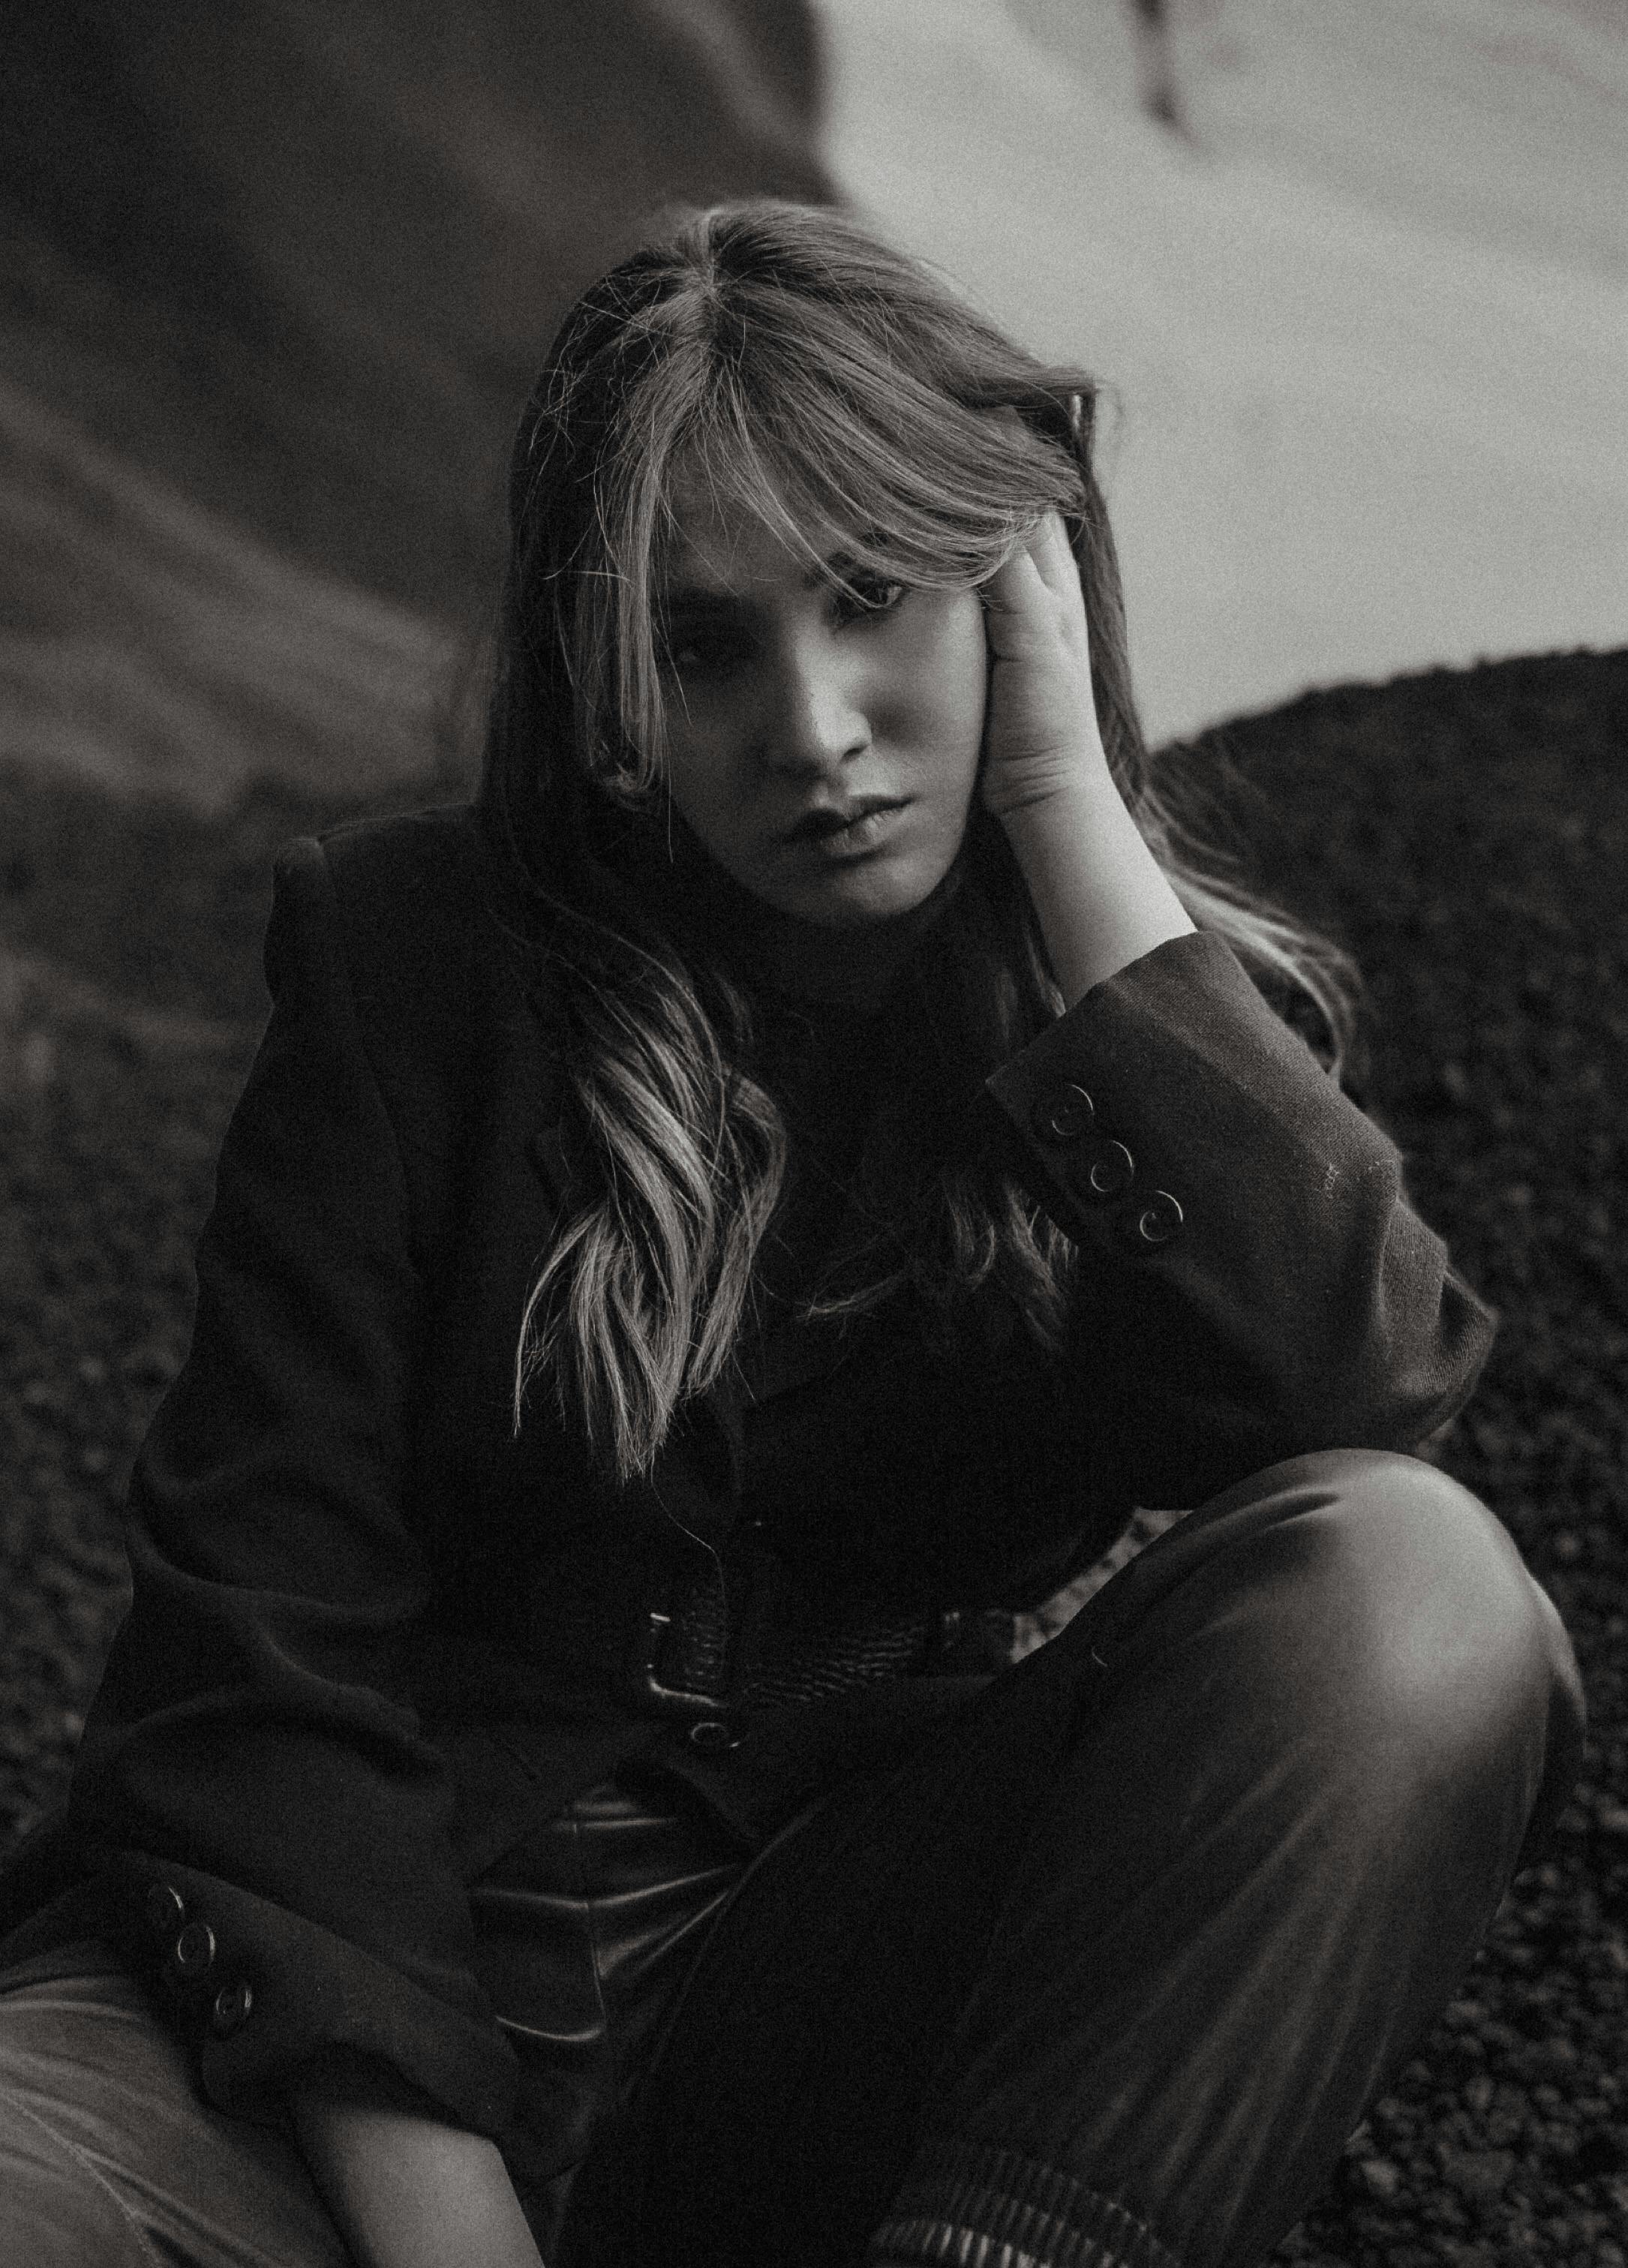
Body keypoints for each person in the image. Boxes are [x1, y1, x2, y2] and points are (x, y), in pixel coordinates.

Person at [0, 200, 1584, 2268]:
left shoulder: (1141, 1035)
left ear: (1008, 585)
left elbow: (1350, 1387)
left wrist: (1058, 807)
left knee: (1419, 1596)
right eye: (705, 643)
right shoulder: (414, 961)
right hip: (338, 2023)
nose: (817, 729)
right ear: (600, 683)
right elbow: (253, 1643)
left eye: (875, 597)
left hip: (804, 2006)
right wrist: (444, 2223)